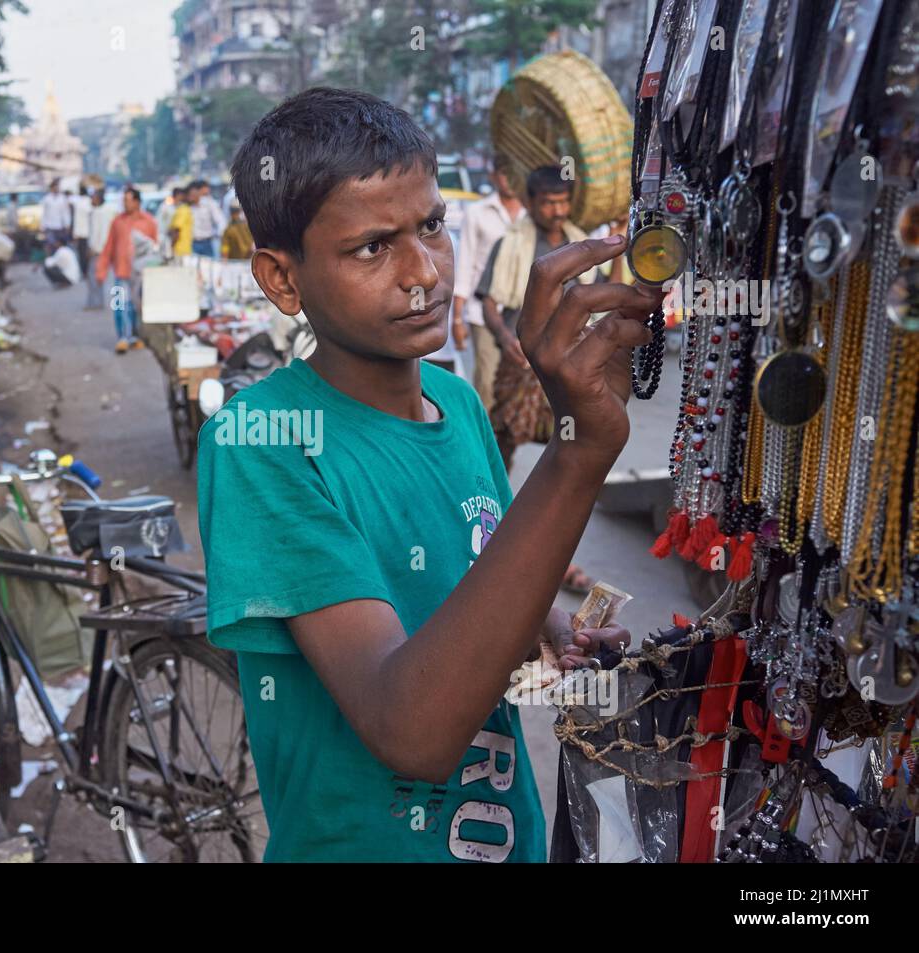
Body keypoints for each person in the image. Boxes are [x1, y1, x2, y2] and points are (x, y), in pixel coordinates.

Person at [198, 88, 653, 862]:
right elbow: (412, 730)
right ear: (282, 279)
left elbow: (470, 582)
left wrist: (543, 634)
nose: (424, 274)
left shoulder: (456, 402)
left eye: (433, 227)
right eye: (372, 247)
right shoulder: (260, 444)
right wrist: (576, 452)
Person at [475, 165, 602, 596]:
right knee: (501, 447)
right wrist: (504, 336)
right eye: (548, 201)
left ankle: (556, 559)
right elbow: (490, 303)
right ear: (531, 202)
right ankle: (489, 535)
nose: (556, 209)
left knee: (566, 457)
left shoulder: (581, 244)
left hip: (565, 363)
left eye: (563, 200)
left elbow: (598, 298)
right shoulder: (511, 243)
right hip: (520, 364)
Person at [451, 160, 525, 413]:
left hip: (524, 312)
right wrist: (458, 318)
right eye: (505, 173)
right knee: (487, 381)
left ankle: (505, 445)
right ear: (493, 176)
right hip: (482, 310)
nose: (510, 180)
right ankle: (483, 443)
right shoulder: (477, 213)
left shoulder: (535, 212)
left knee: (519, 388)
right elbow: (465, 263)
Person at [96, 187, 158, 353]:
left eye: (128, 200)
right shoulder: (117, 222)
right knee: (119, 305)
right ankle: (123, 337)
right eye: (123, 200)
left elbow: (155, 249)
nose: (125, 204)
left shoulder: (149, 222)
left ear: (137, 202)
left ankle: (135, 336)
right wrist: (101, 269)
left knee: (136, 307)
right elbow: (109, 247)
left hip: (141, 274)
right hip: (121, 271)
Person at [86, 189, 113, 309]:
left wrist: (93, 248)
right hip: (105, 248)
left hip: (98, 249)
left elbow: (97, 232)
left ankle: (95, 303)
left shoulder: (98, 213)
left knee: (94, 276)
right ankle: (98, 302)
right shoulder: (109, 210)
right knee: (100, 276)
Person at [191, 178, 226, 257]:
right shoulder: (189, 205)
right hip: (192, 242)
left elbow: (220, 221)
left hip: (207, 242)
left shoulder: (210, 204)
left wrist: (219, 237)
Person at [40, 180, 72, 248]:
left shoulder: (63, 198)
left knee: (60, 246)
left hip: (59, 226)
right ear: (51, 188)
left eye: (57, 187)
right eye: (54, 187)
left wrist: (67, 224)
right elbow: (43, 213)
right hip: (49, 226)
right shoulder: (46, 199)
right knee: (50, 245)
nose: (56, 189)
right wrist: (42, 226)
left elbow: (65, 212)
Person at [169, 184, 194, 258]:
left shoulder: (183, 209)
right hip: (181, 250)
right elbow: (176, 230)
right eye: (191, 196)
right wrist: (172, 247)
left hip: (183, 249)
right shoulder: (183, 210)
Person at [71, 184, 92, 273]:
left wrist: (74, 232)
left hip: (80, 232)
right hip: (88, 232)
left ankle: (83, 270)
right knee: (85, 252)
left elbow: (75, 219)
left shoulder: (77, 202)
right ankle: (86, 270)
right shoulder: (89, 201)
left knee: (81, 253)